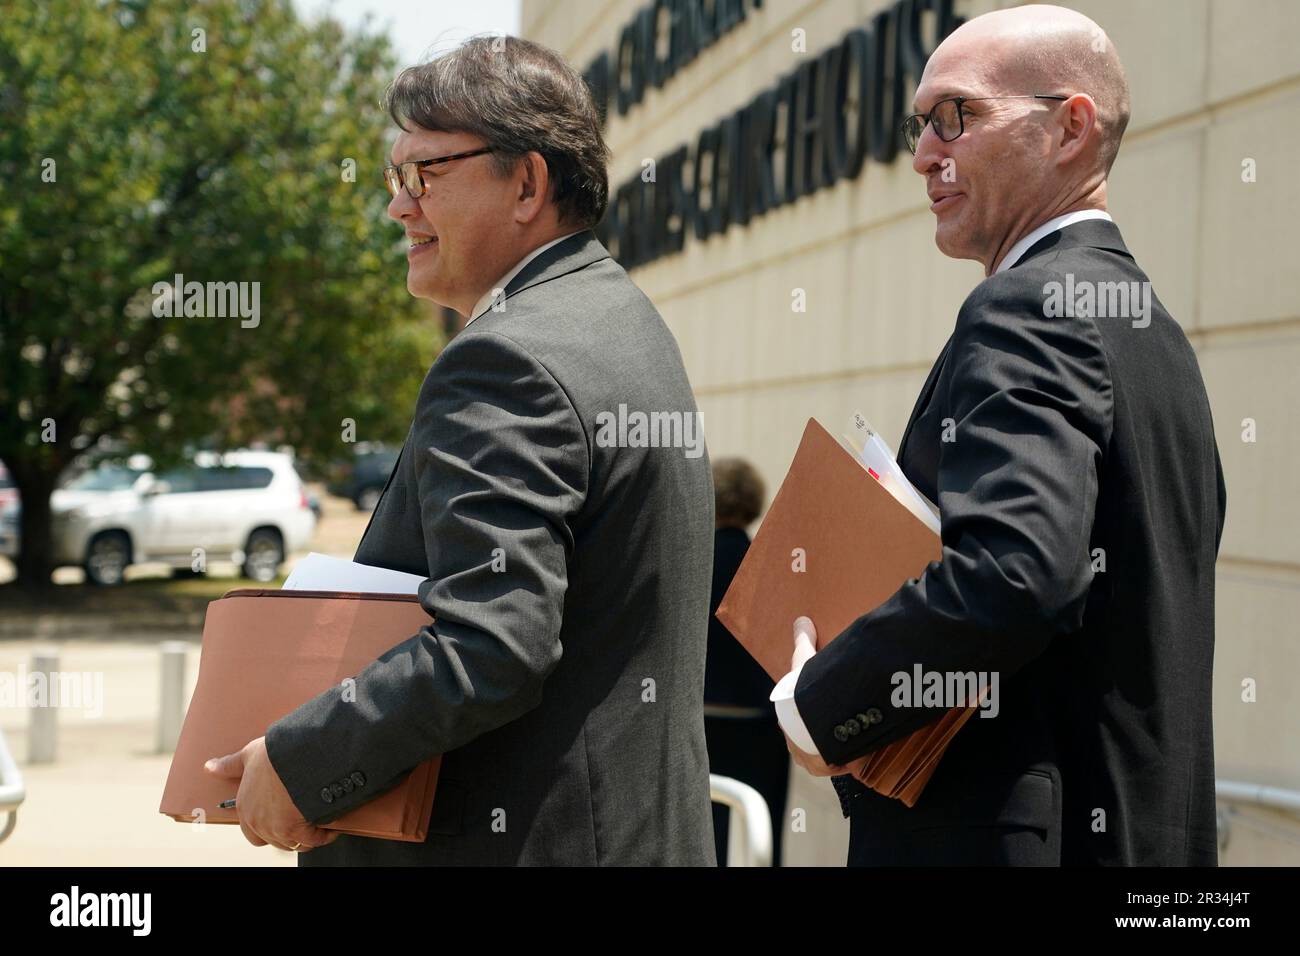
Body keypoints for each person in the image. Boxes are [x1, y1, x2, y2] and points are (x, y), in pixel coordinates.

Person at [205, 35, 716, 865]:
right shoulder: (617, 318)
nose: (399, 206)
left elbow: (495, 642)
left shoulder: (508, 356)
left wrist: (301, 763)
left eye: (425, 175)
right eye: (393, 177)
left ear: (526, 182)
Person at [773, 4, 1227, 865]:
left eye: (956, 117)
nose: (922, 156)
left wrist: (820, 706)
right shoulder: (1155, 333)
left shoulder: (1025, 304)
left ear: (1069, 128)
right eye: (919, 125)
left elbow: (1013, 576)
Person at [703, 458, 787, 866]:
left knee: (707, 831)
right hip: (759, 720)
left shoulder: (696, 563)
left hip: (704, 717)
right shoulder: (766, 563)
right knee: (764, 823)